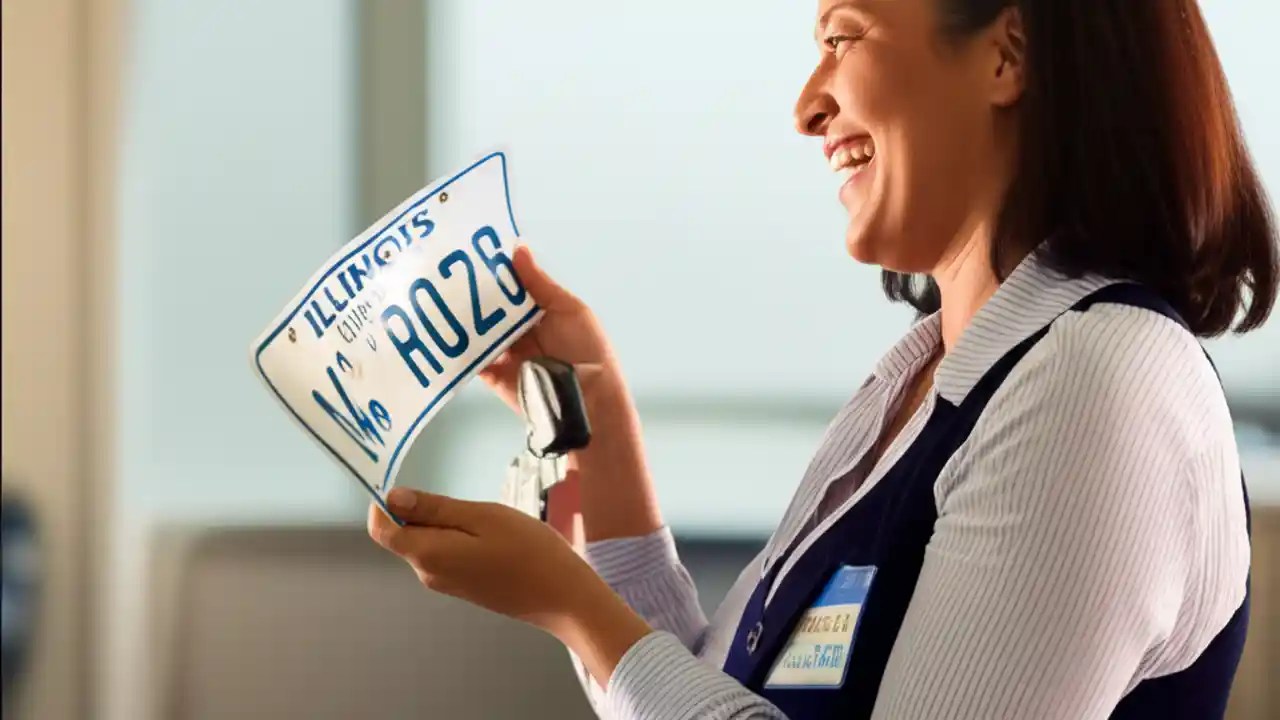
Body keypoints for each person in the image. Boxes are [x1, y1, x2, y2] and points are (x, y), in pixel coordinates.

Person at [367, 0, 1278, 717]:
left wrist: (577, 612)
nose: (807, 105)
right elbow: (715, 694)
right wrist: (595, 430)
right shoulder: (920, 382)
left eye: (844, 35)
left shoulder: (1097, 383)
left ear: (1008, 55)